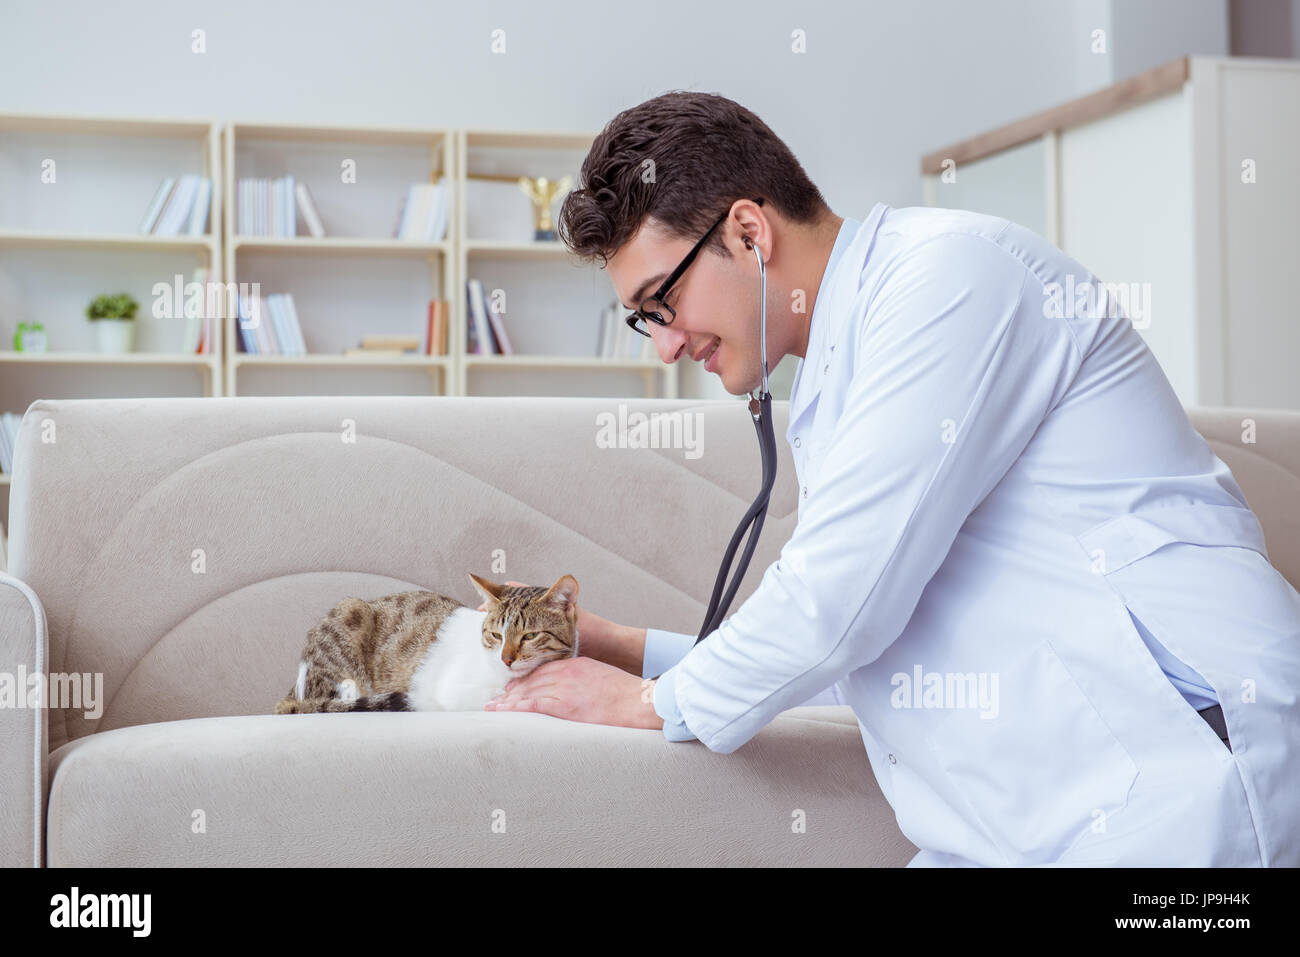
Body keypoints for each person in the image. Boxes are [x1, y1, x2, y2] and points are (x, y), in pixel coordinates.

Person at [484, 90, 1300, 866]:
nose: (664, 344)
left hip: (1189, 769)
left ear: (746, 233)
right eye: (644, 320)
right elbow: (858, 665)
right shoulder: (846, 368)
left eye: (662, 303)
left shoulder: (950, 280)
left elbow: (837, 605)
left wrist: (646, 703)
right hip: (1034, 817)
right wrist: (624, 649)